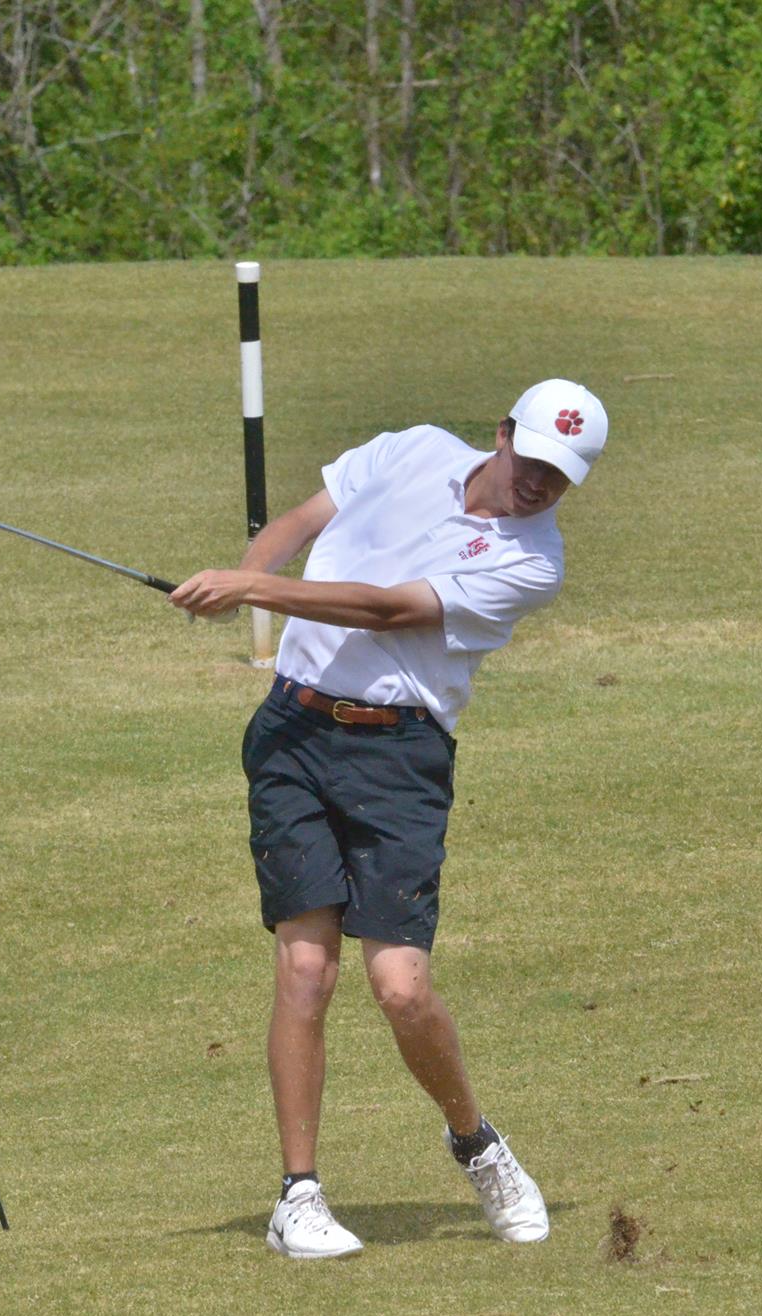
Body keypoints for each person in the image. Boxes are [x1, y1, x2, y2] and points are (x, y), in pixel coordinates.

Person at [169, 378, 608, 1260]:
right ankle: (298, 1196)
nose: (539, 486)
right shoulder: (411, 448)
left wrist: (257, 586)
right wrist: (251, 583)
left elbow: (387, 607)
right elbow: (303, 517)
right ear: (502, 434)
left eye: (560, 477)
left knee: (401, 987)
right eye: (533, 461)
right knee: (305, 970)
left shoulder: (532, 563)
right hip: (292, 734)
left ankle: (476, 1142)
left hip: (399, 758)